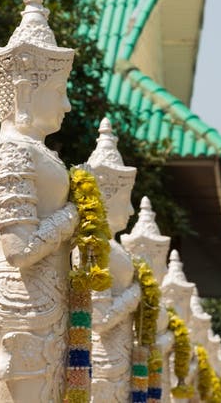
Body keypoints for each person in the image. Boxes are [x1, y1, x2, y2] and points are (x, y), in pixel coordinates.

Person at [0, 0, 77, 403]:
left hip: (46, 295)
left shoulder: (35, 151)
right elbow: (19, 246)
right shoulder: (10, 151)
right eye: (59, 91)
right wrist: (73, 217)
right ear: (24, 91)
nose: (68, 105)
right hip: (21, 297)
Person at [88, 117, 140, 402]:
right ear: (107, 197)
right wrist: (134, 295)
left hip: (118, 361)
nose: (131, 210)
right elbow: (100, 317)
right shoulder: (94, 246)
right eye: (126, 199)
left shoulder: (112, 248)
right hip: (101, 361)